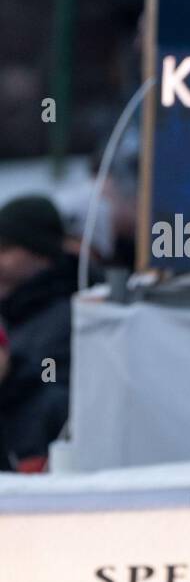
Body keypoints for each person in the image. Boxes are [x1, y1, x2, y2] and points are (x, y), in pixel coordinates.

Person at [0, 194, 79, 470]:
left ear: (41, 253)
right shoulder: (13, 313)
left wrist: (13, 375)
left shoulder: (72, 319)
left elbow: (52, 390)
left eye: (6, 249)